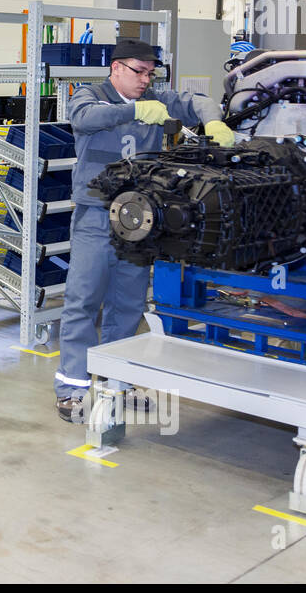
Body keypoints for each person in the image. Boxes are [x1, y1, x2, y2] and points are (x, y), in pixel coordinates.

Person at [55, 37, 235, 422]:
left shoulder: (158, 99)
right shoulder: (91, 96)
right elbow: (83, 119)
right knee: (83, 301)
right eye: (138, 72)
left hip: (140, 221)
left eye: (151, 74)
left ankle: (118, 378)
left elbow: (197, 102)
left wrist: (213, 118)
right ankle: (73, 387)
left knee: (129, 303)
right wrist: (134, 110)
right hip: (96, 217)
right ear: (116, 68)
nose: (145, 80)